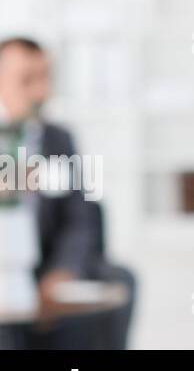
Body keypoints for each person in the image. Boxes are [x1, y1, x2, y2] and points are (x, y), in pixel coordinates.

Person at [0, 37, 136, 349]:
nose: (40, 92)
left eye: (46, 78)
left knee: (120, 280)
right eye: (26, 80)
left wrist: (63, 271)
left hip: (50, 269)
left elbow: (81, 217)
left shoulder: (59, 140)